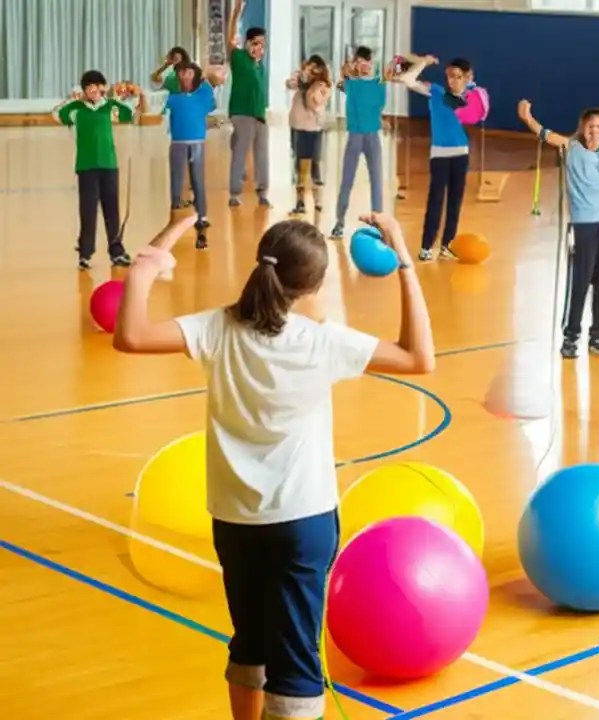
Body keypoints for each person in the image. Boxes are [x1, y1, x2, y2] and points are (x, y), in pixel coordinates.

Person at [112, 212, 434, 720]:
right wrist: (405, 263)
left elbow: (129, 336)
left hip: (234, 520)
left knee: (251, 642)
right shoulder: (322, 342)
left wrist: (143, 271)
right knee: (297, 665)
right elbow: (420, 358)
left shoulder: (217, 327)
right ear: (314, 286)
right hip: (302, 521)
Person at [517, 100, 599, 359]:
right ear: (582, 129)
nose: (595, 131)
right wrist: (527, 117)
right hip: (583, 228)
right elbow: (544, 134)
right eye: (590, 126)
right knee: (580, 282)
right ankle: (570, 337)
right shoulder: (571, 148)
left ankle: (598, 337)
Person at [395, 53, 490, 261]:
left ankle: (447, 246)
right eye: (449, 76)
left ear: (466, 77)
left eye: (458, 76)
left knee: (455, 203)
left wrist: (470, 85)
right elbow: (406, 79)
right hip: (439, 154)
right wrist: (423, 62)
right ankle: (426, 247)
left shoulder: (469, 99)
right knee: (435, 200)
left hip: (461, 153)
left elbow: (478, 111)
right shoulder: (436, 92)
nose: (452, 80)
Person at [53, 71, 146, 270]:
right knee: (88, 211)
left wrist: (127, 95)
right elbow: (57, 115)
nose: (94, 90)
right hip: (86, 167)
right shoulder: (76, 110)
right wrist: (71, 99)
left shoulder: (109, 106)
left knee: (111, 210)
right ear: (84, 90)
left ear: (103, 87)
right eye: (90, 87)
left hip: (109, 165)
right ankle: (85, 253)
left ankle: (117, 252)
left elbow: (131, 114)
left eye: (97, 86)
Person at [330, 47, 389, 238]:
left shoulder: (380, 83)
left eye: (367, 61)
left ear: (372, 62)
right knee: (347, 179)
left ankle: (378, 223)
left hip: (373, 136)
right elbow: (339, 82)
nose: (365, 65)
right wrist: (348, 69)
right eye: (360, 62)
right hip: (355, 136)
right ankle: (339, 222)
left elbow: (380, 105)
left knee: (376, 179)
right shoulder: (351, 84)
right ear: (356, 64)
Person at [163, 61, 219, 244]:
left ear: (194, 75)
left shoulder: (203, 94)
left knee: (198, 181)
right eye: (182, 73)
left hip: (197, 143)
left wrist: (207, 75)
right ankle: (175, 213)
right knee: (177, 180)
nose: (186, 76)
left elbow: (213, 84)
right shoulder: (173, 97)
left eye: (189, 73)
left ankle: (202, 215)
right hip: (178, 143)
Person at [226, 0, 271, 208]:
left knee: (262, 154)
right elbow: (230, 38)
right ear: (248, 43)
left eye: (262, 45)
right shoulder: (239, 58)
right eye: (255, 43)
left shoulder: (260, 66)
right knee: (240, 151)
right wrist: (237, 12)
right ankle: (234, 193)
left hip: (259, 114)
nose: (259, 48)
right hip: (242, 113)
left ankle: (263, 192)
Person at [287, 55, 331, 201]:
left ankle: (317, 198)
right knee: (299, 160)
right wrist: (302, 78)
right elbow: (289, 84)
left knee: (315, 160)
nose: (313, 71)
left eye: (316, 68)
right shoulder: (299, 78)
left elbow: (318, 101)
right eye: (310, 67)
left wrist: (313, 89)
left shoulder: (323, 84)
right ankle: (299, 199)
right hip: (298, 125)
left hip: (315, 127)